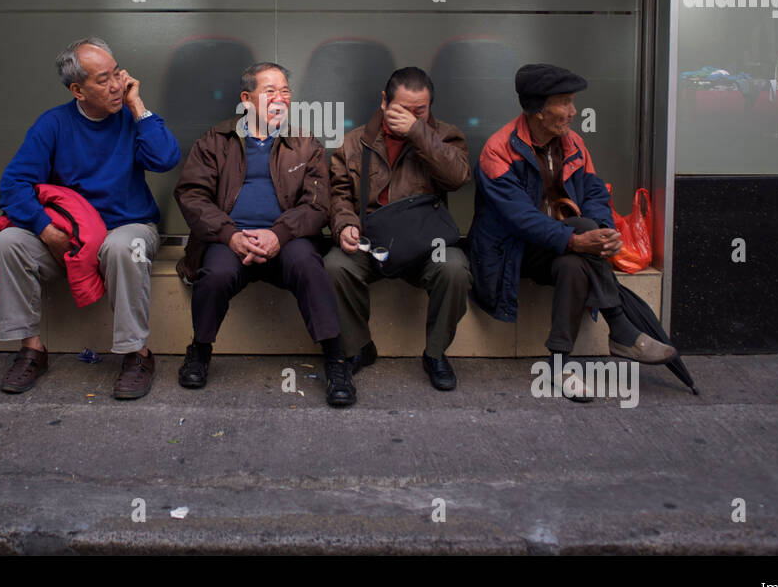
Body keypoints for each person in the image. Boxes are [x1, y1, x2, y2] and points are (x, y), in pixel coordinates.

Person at [469, 64, 678, 401]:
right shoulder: (498, 150)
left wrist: (604, 231)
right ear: (538, 110)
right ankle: (621, 328)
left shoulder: (573, 143)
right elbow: (518, 219)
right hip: (514, 253)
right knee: (581, 234)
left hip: (562, 248)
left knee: (575, 262)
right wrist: (577, 239)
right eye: (564, 102)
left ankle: (559, 364)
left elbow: (595, 192)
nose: (573, 111)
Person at [0, 37, 180, 399]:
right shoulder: (53, 124)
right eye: (103, 79)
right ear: (78, 89)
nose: (115, 86)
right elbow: (12, 185)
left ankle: (137, 354)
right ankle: (32, 350)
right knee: (7, 243)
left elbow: (166, 159)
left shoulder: (131, 117)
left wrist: (137, 104)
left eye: (117, 75)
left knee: (125, 246)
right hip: (70, 237)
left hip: (127, 227)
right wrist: (46, 230)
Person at [173, 63, 354, 406]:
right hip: (230, 240)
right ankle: (200, 349)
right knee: (216, 274)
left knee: (309, 266)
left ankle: (336, 359)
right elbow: (191, 196)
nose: (280, 98)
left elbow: (318, 205)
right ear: (246, 98)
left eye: (285, 91)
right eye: (270, 90)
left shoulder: (304, 144)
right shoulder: (217, 140)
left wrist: (278, 235)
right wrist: (230, 235)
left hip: (287, 241)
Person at [324, 68, 472, 393]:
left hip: (422, 243)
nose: (411, 116)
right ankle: (359, 346)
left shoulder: (444, 136)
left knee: (455, 268)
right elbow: (338, 195)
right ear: (384, 102)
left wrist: (419, 133)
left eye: (421, 110)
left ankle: (435, 354)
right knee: (335, 266)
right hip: (371, 241)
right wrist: (345, 224)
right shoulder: (354, 142)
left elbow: (459, 177)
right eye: (403, 109)